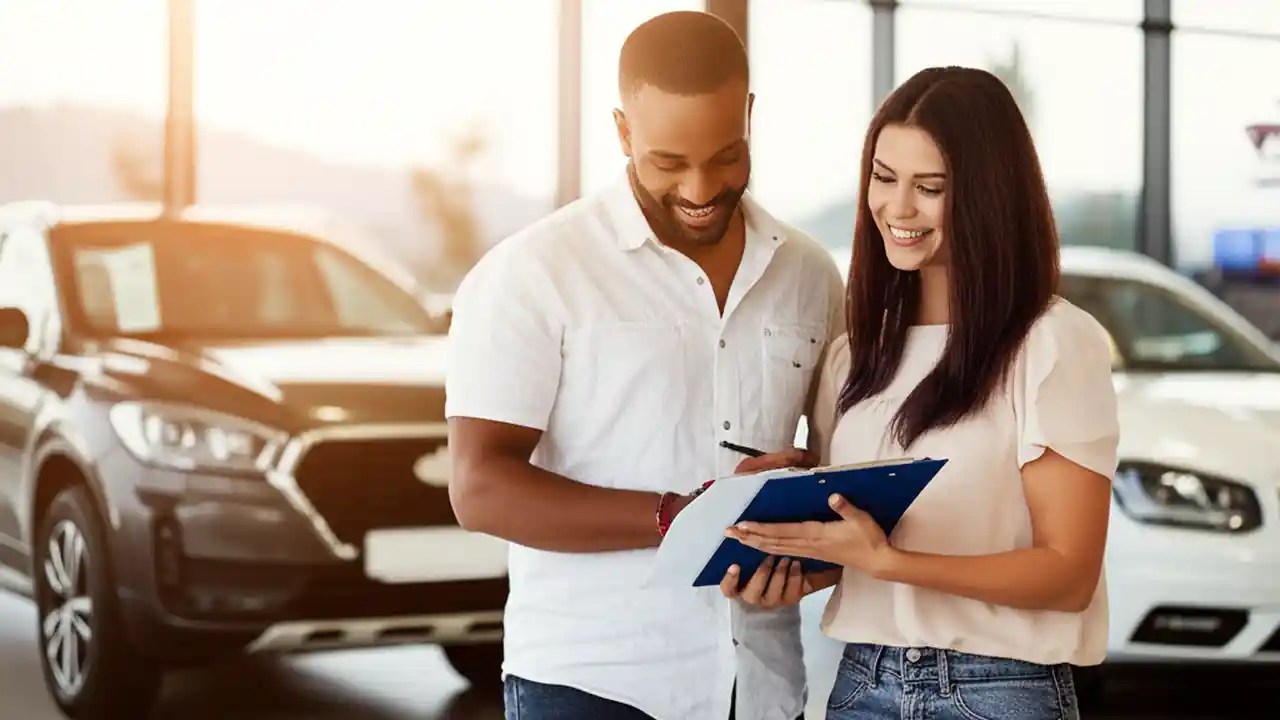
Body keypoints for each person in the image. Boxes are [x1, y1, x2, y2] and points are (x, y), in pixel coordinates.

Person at [445, 11, 844, 720]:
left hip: (762, 687)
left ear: (750, 115)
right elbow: (479, 487)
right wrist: (681, 518)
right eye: (668, 163)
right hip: (591, 684)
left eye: (726, 156)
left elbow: (842, 465)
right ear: (623, 132)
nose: (698, 189)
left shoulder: (809, 273)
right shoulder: (532, 272)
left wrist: (812, 555)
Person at [724, 66, 1120, 720]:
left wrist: (892, 561)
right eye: (883, 178)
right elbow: (857, 550)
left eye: (929, 187)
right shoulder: (856, 354)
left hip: (997, 690)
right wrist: (783, 558)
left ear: (987, 195)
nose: (897, 208)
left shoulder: (1052, 344)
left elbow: (1069, 575)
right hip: (862, 682)